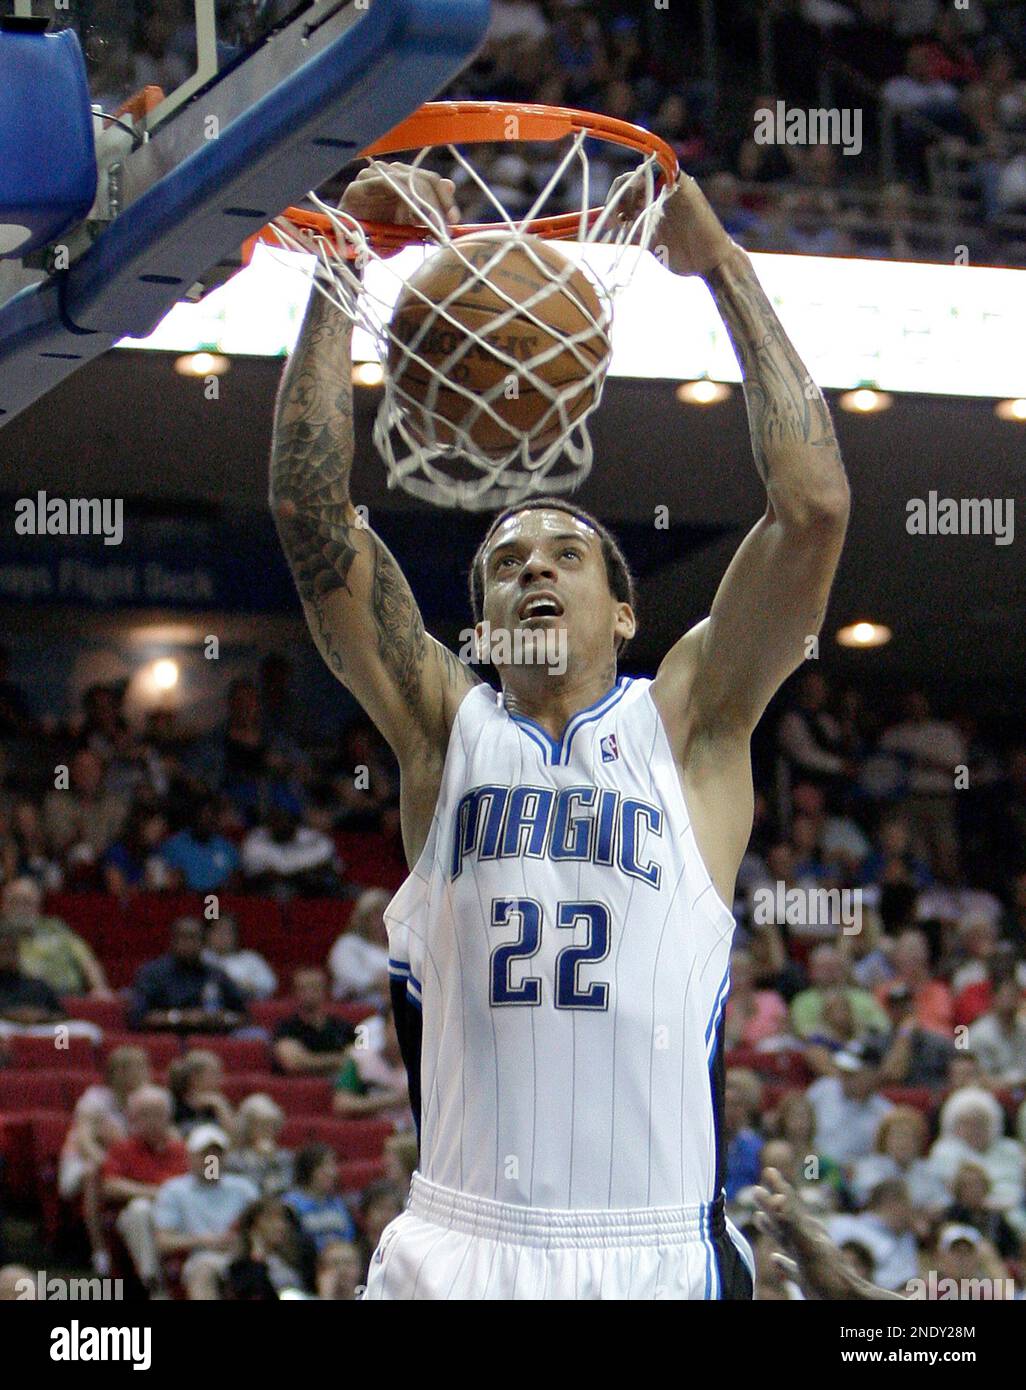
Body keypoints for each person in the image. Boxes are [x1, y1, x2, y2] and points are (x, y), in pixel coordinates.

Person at [270, 159, 849, 1301]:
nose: (533, 563)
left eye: (566, 553)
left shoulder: (691, 727)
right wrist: (338, 265)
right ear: (480, 621)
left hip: (655, 1251)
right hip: (460, 1244)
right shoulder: (444, 727)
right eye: (503, 564)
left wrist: (721, 265)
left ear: (624, 610)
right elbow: (309, 513)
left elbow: (815, 508)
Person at [59, 1046, 151, 1273]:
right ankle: (99, 1250)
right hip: (86, 1160)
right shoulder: (95, 1099)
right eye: (134, 1067)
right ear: (117, 1072)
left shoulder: (148, 1099)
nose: (142, 1072)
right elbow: (84, 1140)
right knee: (94, 1172)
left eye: (143, 1066)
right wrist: (110, 1164)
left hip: (127, 1161)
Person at [153, 1125, 260, 1299]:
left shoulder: (244, 1188)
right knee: (203, 1269)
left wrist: (243, 1241)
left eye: (217, 1154)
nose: (212, 1160)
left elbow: (262, 1225)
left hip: (244, 1254)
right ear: (190, 1157)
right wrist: (205, 1241)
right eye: (205, 1154)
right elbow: (164, 1241)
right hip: (201, 1256)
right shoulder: (173, 1190)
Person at [101, 1085, 189, 1295]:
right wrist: (154, 1194)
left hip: (177, 1215)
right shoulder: (122, 1148)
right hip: (135, 1217)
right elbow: (110, 1186)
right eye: (144, 1115)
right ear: (132, 1118)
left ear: (169, 1116)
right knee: (141, 1209)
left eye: (157, 1114)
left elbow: (197, 1184)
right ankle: (152, 1279)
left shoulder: (182, 1149)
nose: (151, 1121)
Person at [128, 916, 249, 1033]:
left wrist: (221, 1018)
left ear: (203, 943)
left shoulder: (216, 974)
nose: (189, 944)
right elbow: (137, 1017)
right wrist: (179, 1017)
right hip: (165, 1038)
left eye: (194, 938)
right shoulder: (153, 974)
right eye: (184, 938)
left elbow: (243, 1016)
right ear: (173, 941)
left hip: (209, 1040)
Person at [1, 876, 111, 998]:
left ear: (38, 906)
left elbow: (87, 960)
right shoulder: (3, 936)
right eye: (16, 901)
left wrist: (99, 988)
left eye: (28, 902)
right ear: (4, 906)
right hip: (21, 1001)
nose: (22, 908)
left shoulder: (55, 927)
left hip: (68, 997)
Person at [805, 1043, 894, 1167]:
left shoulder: (884, 1113)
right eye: (843, 1071)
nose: (844, 1078)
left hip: (852, 1176)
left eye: (852, 1074)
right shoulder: (822, 1089)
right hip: (812, 1162)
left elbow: (882, 1159)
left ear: (873, 1075)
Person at [850, 1106, 949, 1216]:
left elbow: (943, 1202)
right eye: (898, 1136)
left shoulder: (928, 1170)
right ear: (884, 1140)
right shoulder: (869, 1167)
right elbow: (866, 1197)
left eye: (910, 1137)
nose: (904, 1143)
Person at [825, 1178, 919, 1293]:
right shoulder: (844, 1225)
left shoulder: (906, 1238)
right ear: (892, 1204)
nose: (912, 1212)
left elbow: (910, 1279)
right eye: (908, 1205)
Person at [221, 1196, 310, 1300]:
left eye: (283, 1220)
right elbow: (252, 1292)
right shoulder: (240, 1266)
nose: (280, 1226)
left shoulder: (301, 1255)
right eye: (270, 1220)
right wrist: (257, 1256)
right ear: (253, 1227)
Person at [332, 1008, 409, 1126]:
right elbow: (342, 1104)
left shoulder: (426, 1067)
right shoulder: (360, 1060)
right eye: (397, 1026)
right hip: (372, 1133)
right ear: (384, 1029)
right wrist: (393, 1100)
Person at [272, 967, 356, 1076]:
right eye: (302, 988)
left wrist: (309, 1060)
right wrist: (337, 1060)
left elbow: (357, 1060)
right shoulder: (286, 1027)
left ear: (325, 991)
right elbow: (293, 1062)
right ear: (294, 992)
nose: (309, 993)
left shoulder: (342, 1027)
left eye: (314, 987)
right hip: (299, 1087)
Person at [283, 1145, 357, 1251]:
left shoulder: (338, 1204)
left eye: (333, 1166)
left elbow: (350, 1237)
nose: (332, 1173)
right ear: (308, 1169)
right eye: (323, 1166)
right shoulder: (291, 1204)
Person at [160, 796, 240, 893]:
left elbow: (235, 882)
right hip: (185, 902)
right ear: (193, 817)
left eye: (209, 815)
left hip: (219, 903)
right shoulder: (173, 846)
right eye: (201, 815)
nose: (205, 820)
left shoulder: (227, 848)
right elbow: (167, 881)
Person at [328, 889, 391, 1005]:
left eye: (386, 916)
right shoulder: (348, 944)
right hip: (360, 1006)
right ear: (363, 919)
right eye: (376, 916)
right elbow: (350, 979)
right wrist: (381, 981)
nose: (381, 922)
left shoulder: (399, 946)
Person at [223, 1094, 294, 1196]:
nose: (267, 1131)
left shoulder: (284, 1157)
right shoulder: (234, 1159)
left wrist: (271, 1160)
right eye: (261, 1125)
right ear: (247, 1128)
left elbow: (283, 1188)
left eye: (271, 1126)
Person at [967, 971, 1026, 1086]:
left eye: (1014, 996)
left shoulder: (1024, 1029)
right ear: (994, 998)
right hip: (990, 1092)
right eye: (1006, 996)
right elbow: (979, 1077)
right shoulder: (978, 1033)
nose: (1011, 1001)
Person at [202, 914, 277, 1001]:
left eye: (227, 931)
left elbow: (270, 985)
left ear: (235, 935)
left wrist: (245, 985)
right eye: (218, 930)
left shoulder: (250, 958)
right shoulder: (201, 957)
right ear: (208, 934)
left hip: (243, 1007)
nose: (222, 936)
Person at [167, 1050, 238, 1139]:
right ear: (195, 1077)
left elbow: (234, 1138)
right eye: (214, 1074)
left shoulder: (219, 1102)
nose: (220, 1080)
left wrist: (219, 1106)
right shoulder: (171, 1102)